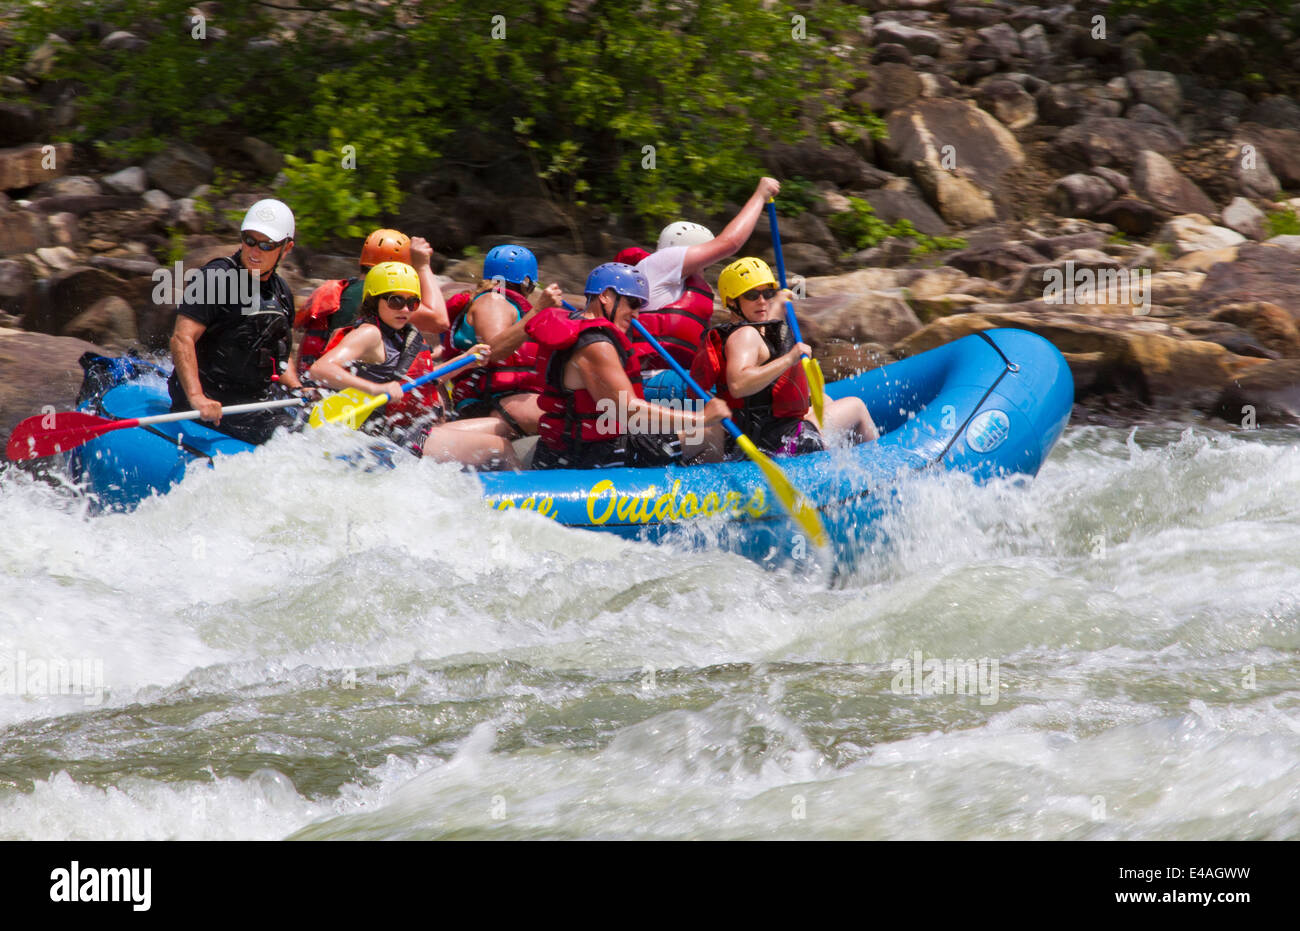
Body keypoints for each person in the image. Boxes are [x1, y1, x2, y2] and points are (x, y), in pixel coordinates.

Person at [526, 262, 730, 470]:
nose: (636, 314)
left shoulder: (576, 329)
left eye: (640, 306)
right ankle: (702, 498)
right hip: (595, 455)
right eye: (632, 303)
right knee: (710, 431)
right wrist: (700, 418)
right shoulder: (596, 344)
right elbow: (627, 411)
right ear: (605, 296)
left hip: (566, 450)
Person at [691, 257, 877, 458]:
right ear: (731, 301)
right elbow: (738, 384)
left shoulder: (751, 329)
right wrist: (790, 358)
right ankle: (878, 471)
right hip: (779, 444)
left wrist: (780, 301)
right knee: (856, 406)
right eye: (752, 295)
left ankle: (838, 470)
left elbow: (771, 320)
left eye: (767, 293)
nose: (762, 301)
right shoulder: (744, 336)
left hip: (765, 435)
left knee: (823, 400)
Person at [308, 262, 487, 457]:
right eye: (395, 301)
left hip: (411, 429)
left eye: (413, 303)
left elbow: (423, 381)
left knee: (495, 432)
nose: (405, 309)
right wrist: (376, 389)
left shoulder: (403, 334)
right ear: (374, 300)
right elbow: (321, 369)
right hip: (389, 439)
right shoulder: (370, 333)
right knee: (498, 447)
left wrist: (467, 359)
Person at [632, 176, 783, 402]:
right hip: (653, 381)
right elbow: (730, 243)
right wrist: (761, 195)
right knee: (744, 393)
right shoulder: (659, 264)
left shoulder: (683, 286)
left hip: (677, 378)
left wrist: (778, 303)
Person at [168, 198, 304, 444]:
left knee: (307, 428)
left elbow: (281, 354)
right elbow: (182, 338)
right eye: (249, 240)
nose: (254, 251)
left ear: (286, 248)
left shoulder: (281, 293)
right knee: (292, 438)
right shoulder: (217, 278)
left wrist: (296, 388)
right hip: (210, 403)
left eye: (266, 245)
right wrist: (197, 397)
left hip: (251, 405)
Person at [289, 228, 448, 382]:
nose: (405, 308)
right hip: (342, 386)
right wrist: (422, 265)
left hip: (314, 383)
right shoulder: (381, 300)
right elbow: (440, 322)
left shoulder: (344, 290)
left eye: (413, 303)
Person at [440, 244, 562, 437]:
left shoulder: (508, 305)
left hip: (507, 400)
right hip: (489, 404)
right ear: (528, 281)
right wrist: (538, 310)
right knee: (572, 421)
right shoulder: (494, 300)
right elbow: (494, 351)